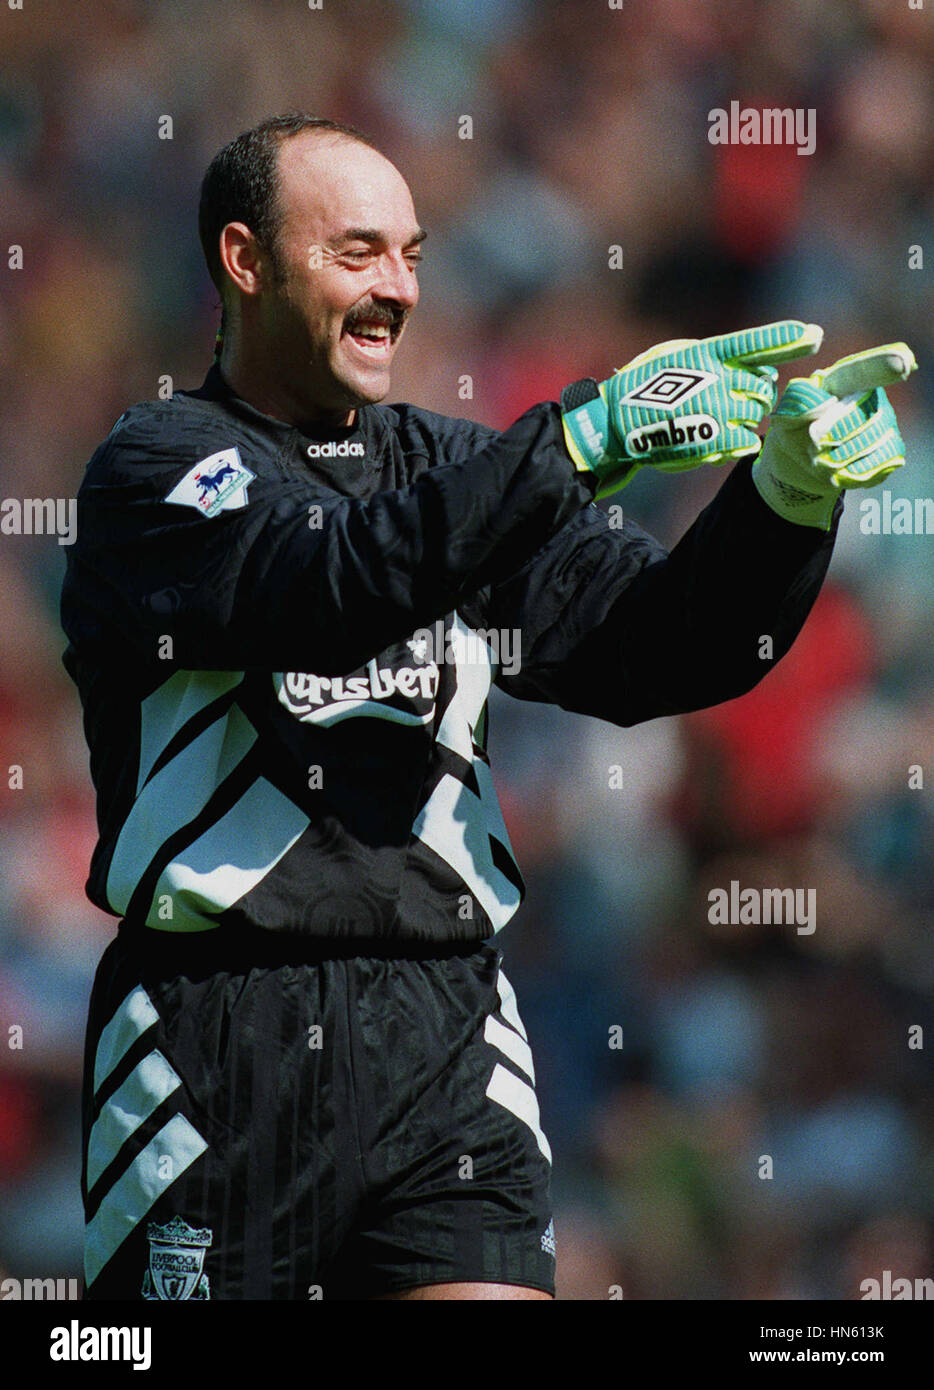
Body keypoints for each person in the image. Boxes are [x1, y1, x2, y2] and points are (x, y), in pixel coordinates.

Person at [60, 112, 913, 1301]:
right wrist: (580, 437)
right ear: (244, 261)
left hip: (447, 1022)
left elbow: (655, 651)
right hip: (217, 1033)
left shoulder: (455, 472)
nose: (396, 288)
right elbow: (328, 586)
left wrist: (782, 499)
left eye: (411, 254)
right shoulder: (155, 469)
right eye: (357, 251)